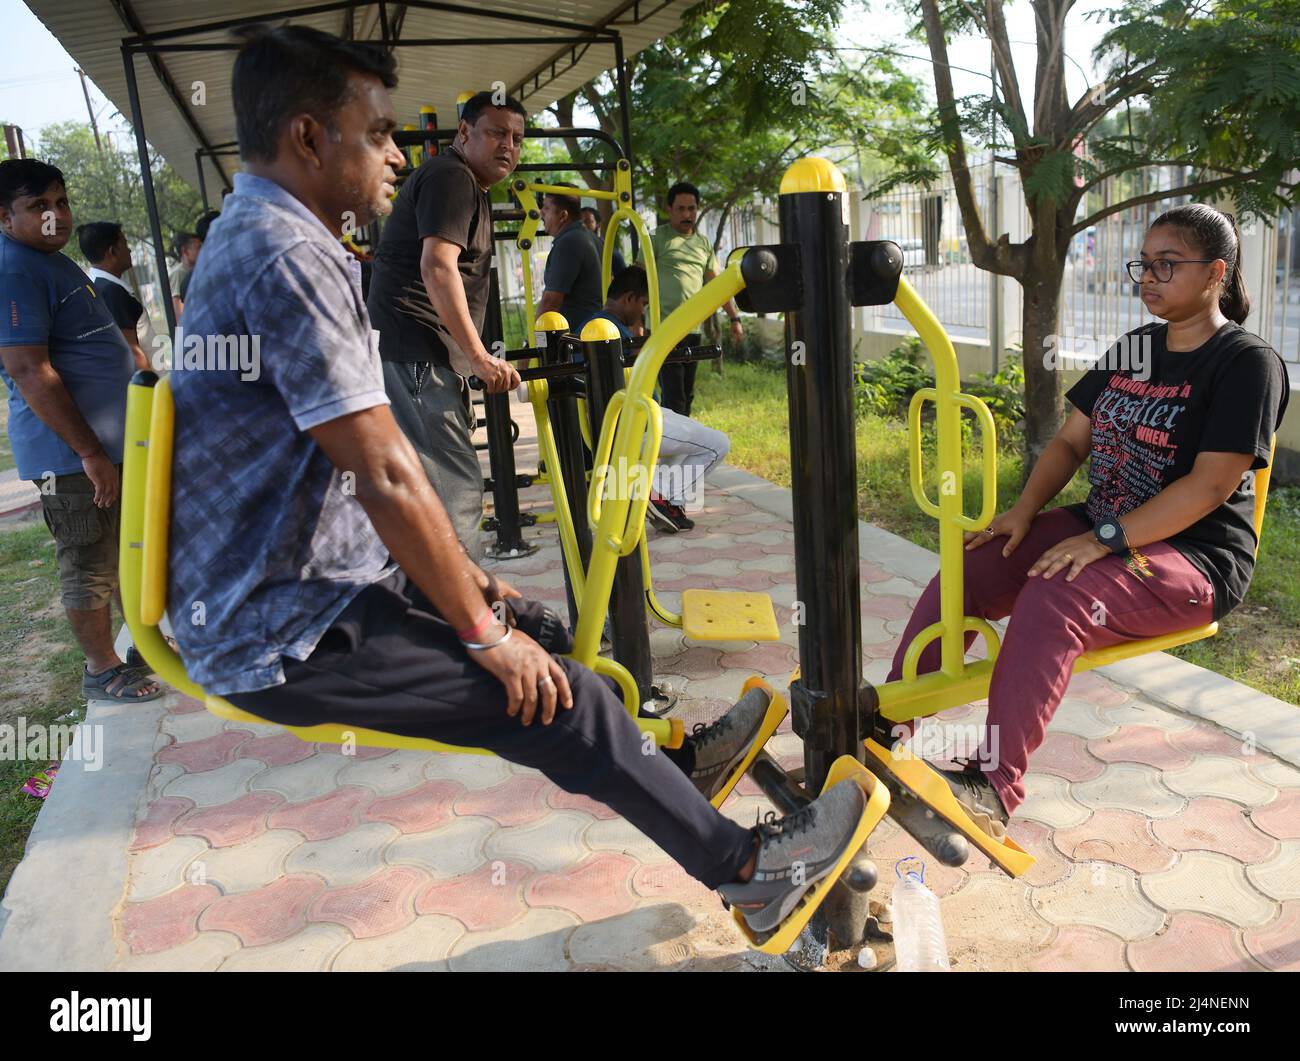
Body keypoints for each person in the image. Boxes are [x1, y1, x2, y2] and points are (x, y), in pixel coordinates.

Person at [170, 24, 868, 939]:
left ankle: (674, 767)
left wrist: (475, 594)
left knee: (538, 625)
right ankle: (751, 871)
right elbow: (383, 470)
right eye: (377, 133)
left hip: (304, 588)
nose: (394, 157)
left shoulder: (263, 231)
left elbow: (339, 475)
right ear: (308, 137)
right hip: (280, 627)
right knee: (549, 693)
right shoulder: (288, 253)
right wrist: (473, 624)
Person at [888, 204, 1289, 840]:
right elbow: (1071, 443)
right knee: (974, 565)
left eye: (1167, 265)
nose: (1148, 277)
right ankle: (892, 723)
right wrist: (1023, 512)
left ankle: (992, 786)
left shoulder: (1245, 363)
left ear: (1216, 273)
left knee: (1056, 595)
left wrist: (1104, 540)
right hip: (1105, 525)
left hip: (1193, 556)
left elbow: (1212, 485)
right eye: (1143, 264)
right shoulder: (1135, 346)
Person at [0, 159, 162, 702]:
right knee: (88, 559)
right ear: (4, 218)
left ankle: (144, 646)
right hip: (70, 457)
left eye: (61, 202)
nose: (56, 216)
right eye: (38, 207)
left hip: (102, 448)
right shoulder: (14, 269)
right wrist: (89, 451)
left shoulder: (55, 263)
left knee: (123, 550)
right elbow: (29, 370)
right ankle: (101, 669)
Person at [366, 89, 522, 558]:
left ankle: (427, 612)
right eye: (496, 133)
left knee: (427, 494)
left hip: (413, 356)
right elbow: (438, 266)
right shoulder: (452, 176)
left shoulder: (462, 182)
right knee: (454, 493)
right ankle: (461, 619)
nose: (508, 146)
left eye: (516, 138)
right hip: (416, 354)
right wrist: (477, 357)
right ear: (464, 132)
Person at [583, 266, 730, 534]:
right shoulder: (611, 333)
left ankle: (668, 505)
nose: (642, 312)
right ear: (629, 298)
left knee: (685, 440)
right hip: (637, 421)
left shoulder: (593, 327)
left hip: (621, 422)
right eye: (643, 304)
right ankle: (657, 493)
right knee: (718, 444)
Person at [639, 181, 744, 416]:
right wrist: (635, 326)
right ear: (669, 209)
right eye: (681, 208)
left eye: (692, 209)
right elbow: (637, 282)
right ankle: (672, 447)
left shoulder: (703, 244)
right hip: (663, 329)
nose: (687, 214)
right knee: (674, 396)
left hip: (692, 331)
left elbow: (717, 284)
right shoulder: (656, 238)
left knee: (686, 394)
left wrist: (735, 319)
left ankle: (681, 446)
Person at [77, 221, 150, 372]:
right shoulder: (112, 293)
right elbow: (132, 353)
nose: (129, 250)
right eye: (125, 244)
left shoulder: (98, 288)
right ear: (112, 252)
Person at [536, 185, 602, 329]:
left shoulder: (569, 242)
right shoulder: (591, 238)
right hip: (593, 330)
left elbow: (551, 301)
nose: (541, 213)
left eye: (546, 208)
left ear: (563, 216)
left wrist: (536, 341)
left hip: (576, 337)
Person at [580, 205, 626, 279]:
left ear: (598, 224)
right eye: (580, 222)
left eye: (587, 221)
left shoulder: (609, 252)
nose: (583, 225)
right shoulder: (575, 250)